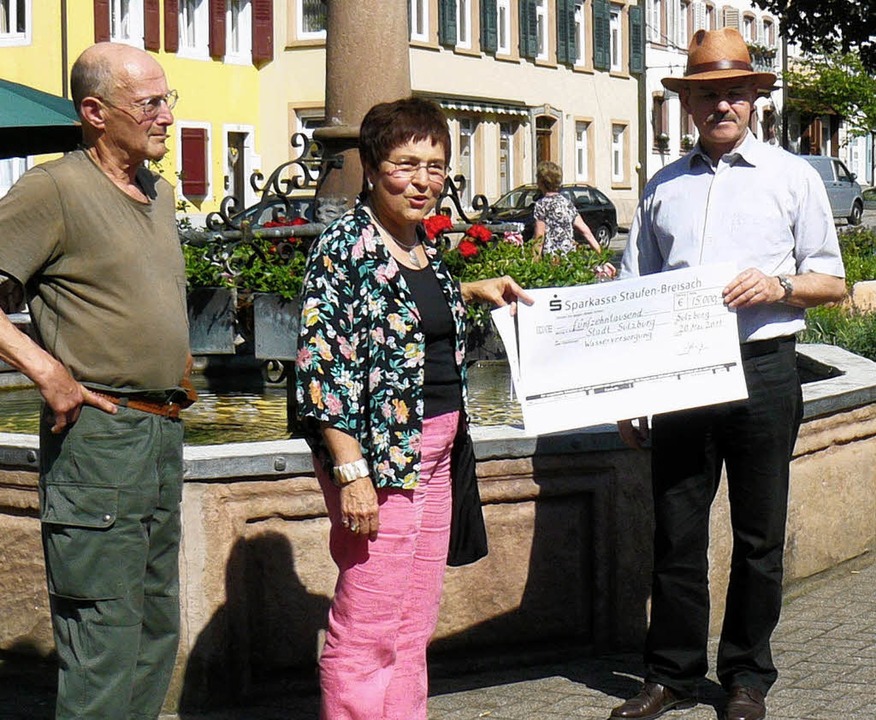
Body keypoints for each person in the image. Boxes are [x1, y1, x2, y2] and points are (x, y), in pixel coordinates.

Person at [612, 28, 845, 720]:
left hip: (764, 368)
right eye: (708, 94)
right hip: (681, 374)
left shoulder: (792, 177)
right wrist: (630, 392)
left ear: (754, 99)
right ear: (690, 105)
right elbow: (633, 294)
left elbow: (833, 282)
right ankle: (672, 673)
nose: (722, 105)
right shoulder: (662, 188)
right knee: (677, 531)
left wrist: (777, 285)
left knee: (759, 535)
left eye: (734, 92)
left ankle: (746, 676)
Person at [294, 97, 531, 720]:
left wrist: (472, 290)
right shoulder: (344, 247)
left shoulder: (417, 246)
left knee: (413, 622)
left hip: (437, 455)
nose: (423, 181)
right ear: (372, 168)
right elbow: (321, 371)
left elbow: (410, 312)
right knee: (368, 625)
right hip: (381, 462)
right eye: (406, 164)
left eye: (435, 165)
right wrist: (351, 473)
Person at [0, 43, 193, 719]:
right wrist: (47, 369)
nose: (167, 115)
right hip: (99, 443)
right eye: (150, 103)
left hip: (161, 434)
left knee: (153, 636)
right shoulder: (53, 189)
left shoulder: (159, 192)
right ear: (95, 112)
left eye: (168, 99)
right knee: (103, 650)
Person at [532, 160, 603, 258]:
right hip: (568, 258)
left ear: (541, 182)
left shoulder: (541, 205)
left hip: (551, 260)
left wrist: (534, 263)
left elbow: (539, 237)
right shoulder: (567, 203)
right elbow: (586, 231)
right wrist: (601, 256)